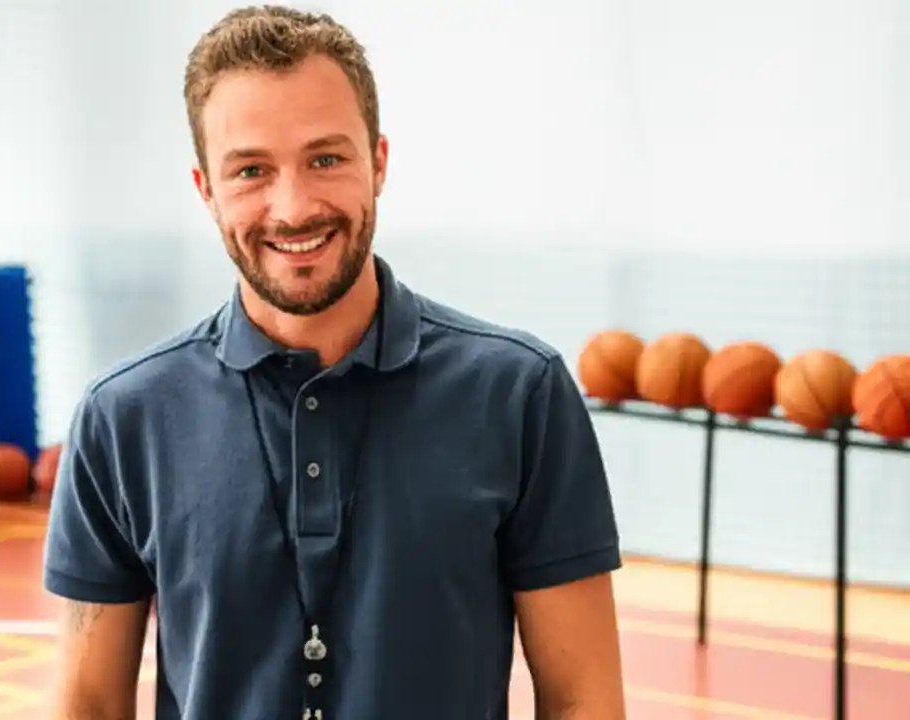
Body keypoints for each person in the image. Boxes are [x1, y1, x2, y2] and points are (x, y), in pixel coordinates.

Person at [43, 6, 626, 718]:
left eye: (326, 159)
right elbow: (88, 704)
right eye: (252, 170)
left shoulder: (519, 394)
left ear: (378, 162)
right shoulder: (123, 417)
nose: (292, 208)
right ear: (206, 190)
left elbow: (583, 700)